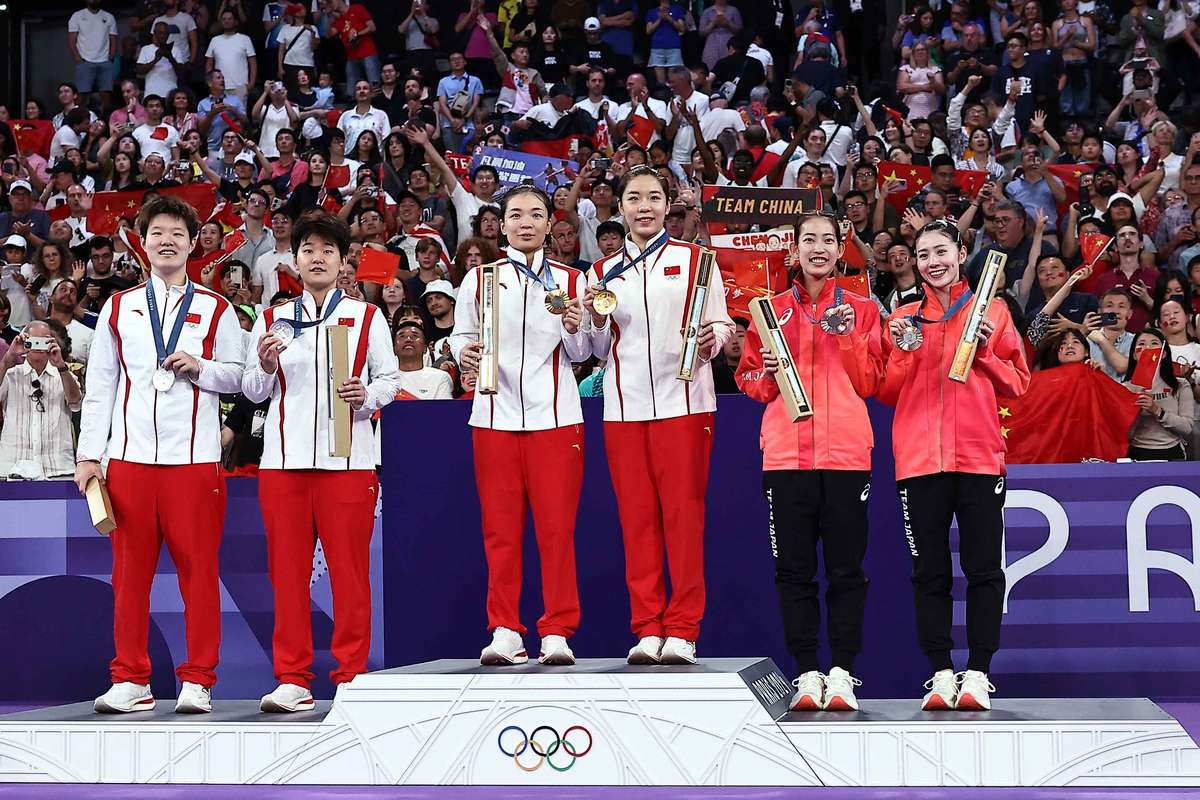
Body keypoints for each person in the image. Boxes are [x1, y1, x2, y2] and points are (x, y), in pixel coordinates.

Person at [76, 194, 246, 714]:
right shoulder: (119, 307)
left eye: (177, 233)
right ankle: (131, 678)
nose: (167, 241)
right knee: (129, 578)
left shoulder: (216, 308)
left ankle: (198, 678)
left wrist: (201, 367)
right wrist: (89, 456)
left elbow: (240, 378)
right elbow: (100, 387)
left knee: (199, 575)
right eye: (157, 233)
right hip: (129, 462)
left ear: (193, 244)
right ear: (142, 243)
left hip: (193, 462)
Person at [242, 212, 400, 712]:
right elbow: (252, 390)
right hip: (284, 464)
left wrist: (367, 396)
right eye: (308, 249)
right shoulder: (272, 319)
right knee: (287, 576)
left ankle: (351, 674)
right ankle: (293, 678)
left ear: (342, 261)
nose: (317, 258)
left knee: (350, 574)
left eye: (327, 250)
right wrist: (265, 365)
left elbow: (390, 380)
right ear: (294, 260)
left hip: (349, 462)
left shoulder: (366, 317)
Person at [585, 166, 734, 665]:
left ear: (668, 205)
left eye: (653, 197)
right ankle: (647, 627)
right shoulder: (601, 273)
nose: (644, 206)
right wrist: (596, 320)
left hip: (685, 405)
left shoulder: (697, 261)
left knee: (683, 519)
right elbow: (596, 347)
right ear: (620, 208)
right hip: (624, 409)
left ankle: (684, 629)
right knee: (637, 520)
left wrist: (715, 339)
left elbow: (722, 323)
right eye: (634, 198)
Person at [735, 211, 883, 711]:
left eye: (828, 240)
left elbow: (871, 381)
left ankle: (841, 673)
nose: (818, 248)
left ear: (841, 250)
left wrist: (848, 337)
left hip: (846, 456)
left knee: (846, 571)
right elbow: (751, 383)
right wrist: (767, 372)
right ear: (793, 250)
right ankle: (805, 672)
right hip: (785, 457)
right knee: (793, 572)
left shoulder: (863, 309)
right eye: (808, 240)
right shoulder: (769, 311)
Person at [880, 220, 1030, 711]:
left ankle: (979, 673)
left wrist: (984, 350)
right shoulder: (903, 318)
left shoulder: (993, 311)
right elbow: (886, 392)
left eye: (941, 251)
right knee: (929, 573)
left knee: (983, 569)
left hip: (979, 458)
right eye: (923, 254)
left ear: (962, 253)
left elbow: (1018, 384)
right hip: (919, 461)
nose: (933, 262)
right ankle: (941, 673)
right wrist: (901, 350)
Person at [447, 184, 591, 666]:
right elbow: (460, 336)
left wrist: (574, 327)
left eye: (535, 214)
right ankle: (506, 627)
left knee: (557, 531)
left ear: (550, 225)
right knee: (500, 531)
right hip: (494, 417)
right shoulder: (480, 278)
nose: (525, 222)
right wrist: (463, 352)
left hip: (557, 419)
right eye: (516, 215)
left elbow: (583, 353)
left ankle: (557, 629)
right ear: (502, 224)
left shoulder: (572, 281)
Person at [0, 321, 82, 480]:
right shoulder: (10, 375)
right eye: (33, 341)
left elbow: (76, 403)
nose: (38, 346)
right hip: (11, 469)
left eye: (43, 341)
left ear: (52, 343)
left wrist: (61, 365)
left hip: (58, 469)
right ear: (24, 341)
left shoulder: (64, 375)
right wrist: (9, 356)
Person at [1124, 327, 1194, 461]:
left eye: (1154, 343)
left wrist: (1157, 411)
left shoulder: (1180, 385)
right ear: (1134, 355)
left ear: (1164, 353)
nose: (1148, 348)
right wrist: (1135, 412)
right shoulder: (1125, 388)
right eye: (1142, 344)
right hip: (1137, 453)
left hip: (1171, 452)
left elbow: (1187, 428)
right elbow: (1124, 434)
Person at [69, 0, 119, 101]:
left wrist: (110, 58)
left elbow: (113, 39)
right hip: (85, 61)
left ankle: (105, 112)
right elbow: (71, 41)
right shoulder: (77, 16)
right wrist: (78, 59)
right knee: (81, 96)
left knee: (106, 96)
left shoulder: (109, 17)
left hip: (104, 61)